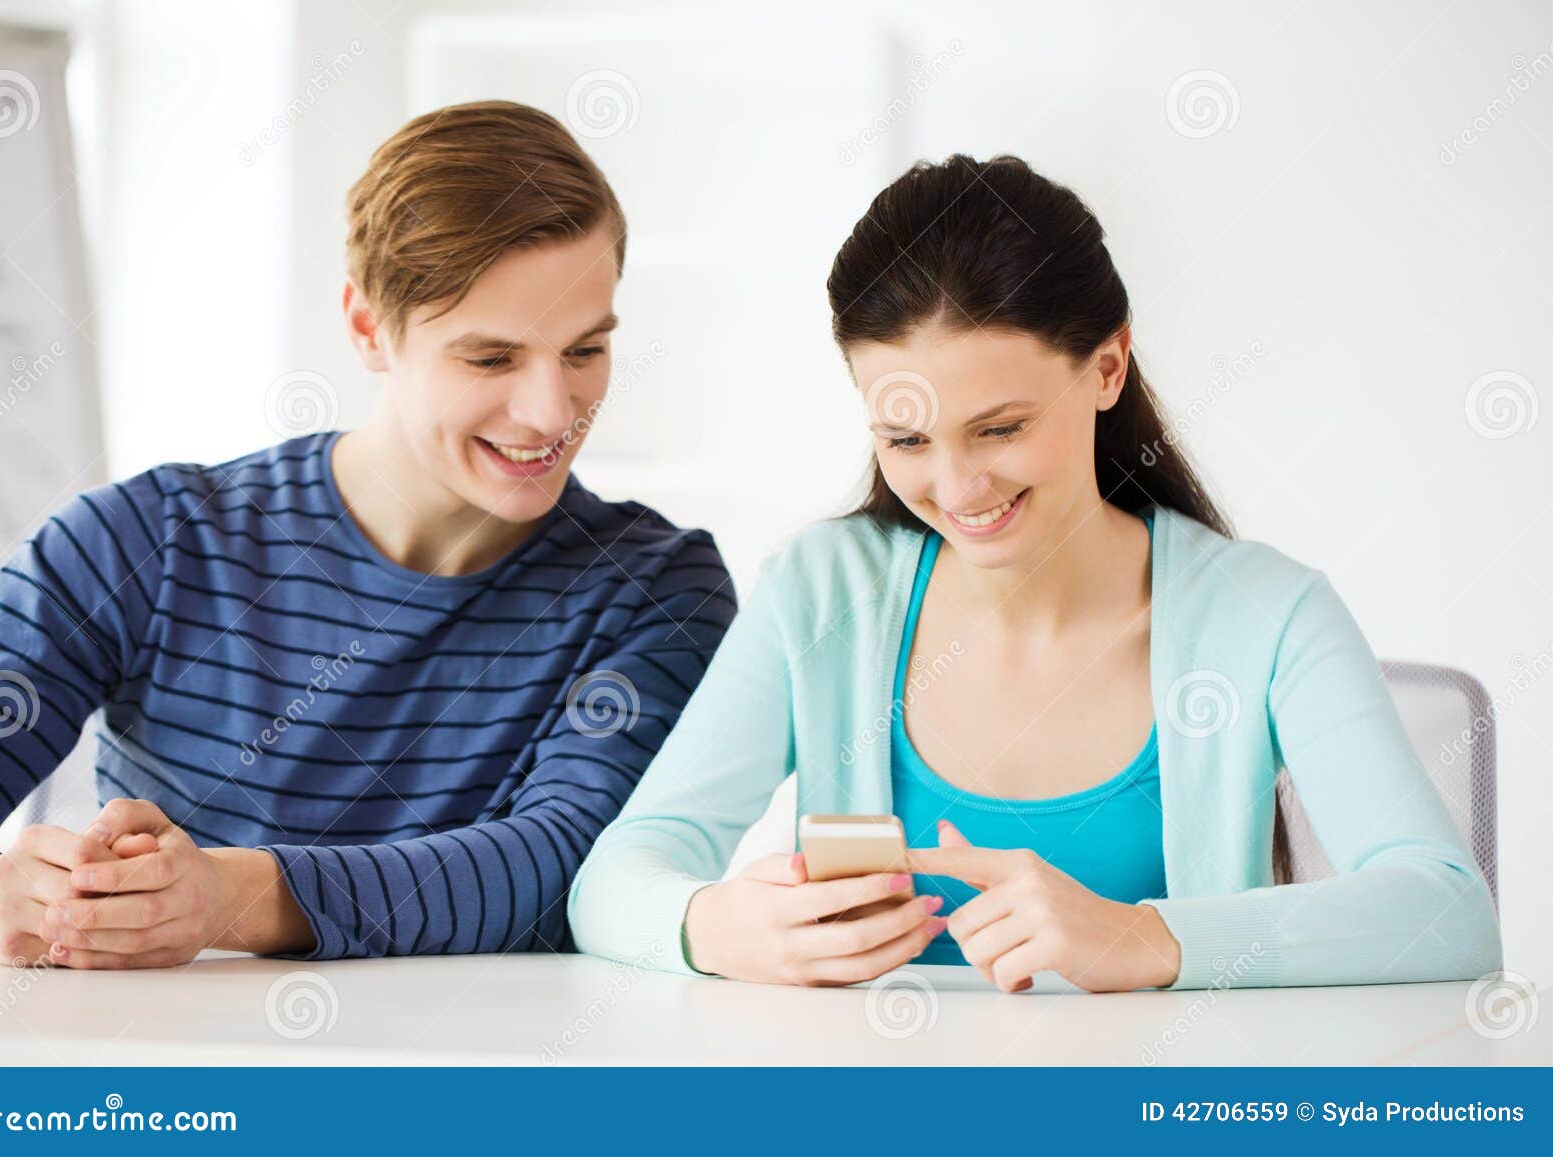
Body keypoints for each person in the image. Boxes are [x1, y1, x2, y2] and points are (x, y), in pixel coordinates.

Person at [567, 154, 1502, 992]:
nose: (957, 485)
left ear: (1107, 367)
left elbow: (1447, 911)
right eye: (906, 439)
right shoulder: (821, 592)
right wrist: (711, 926)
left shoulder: (1268, 615)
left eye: (1001, 428)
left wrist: (1147, 938)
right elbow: (616, 878)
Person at [0, 101, 733, 968]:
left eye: (585, 350)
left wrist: (228, 896)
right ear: (368, 327)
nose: (552, 411)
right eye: (491, 358)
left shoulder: (655, 589)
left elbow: (570, 865)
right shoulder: (143, 542)